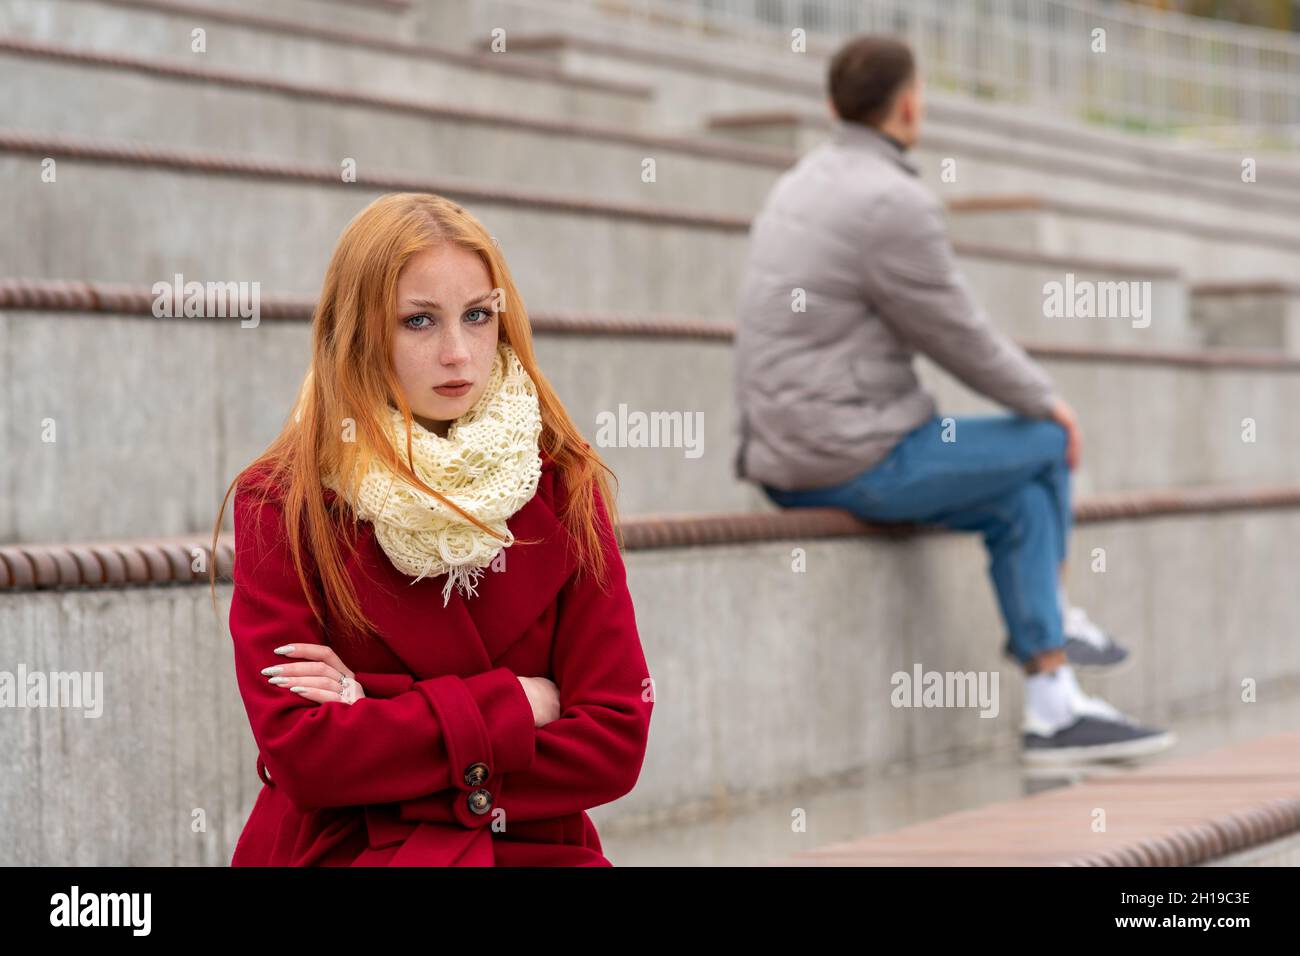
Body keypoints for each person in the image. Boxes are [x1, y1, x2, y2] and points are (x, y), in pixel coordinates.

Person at [732, 35, 1173, 765]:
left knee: (1022, 502)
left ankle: (1052, 707)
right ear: (909, 103)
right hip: (847, 452)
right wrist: (1051, 403)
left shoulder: (800, 181)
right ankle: (1055, 623)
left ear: (833, 104)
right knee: (1041, 444)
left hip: (789, 451)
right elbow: (961, 335)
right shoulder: (891, 202)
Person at [210, 192, 653, 864]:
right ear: (358, 330)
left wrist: (377, 706)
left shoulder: (564, 485)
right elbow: (305, 756)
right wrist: (515, 703)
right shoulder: (282, 503)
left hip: (532, 850)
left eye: (478, 316)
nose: (457, 353)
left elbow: (613, 744)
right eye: (419, 321)